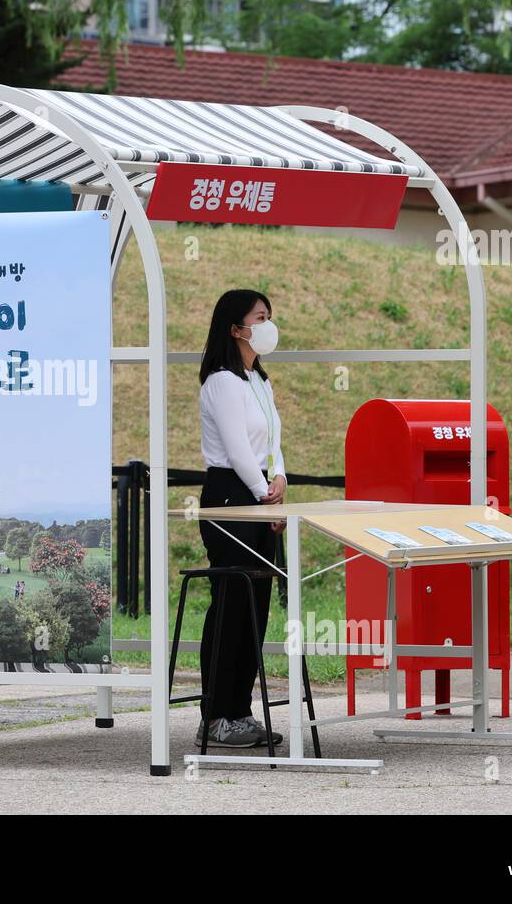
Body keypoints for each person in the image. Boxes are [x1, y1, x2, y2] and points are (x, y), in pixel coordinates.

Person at [194, 288, 287, 750]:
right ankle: (215, 716)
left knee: (256, 609)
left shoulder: (259, 381)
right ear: (236, 328)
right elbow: (235, 450)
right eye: (260, 317)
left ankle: (240, 711)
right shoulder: (222, 382)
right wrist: (262, 496)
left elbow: (271, 439)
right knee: (231, 607)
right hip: (231, 498)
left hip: (259, 494)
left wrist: (280, 478)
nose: (268, 325)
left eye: (269, 316)